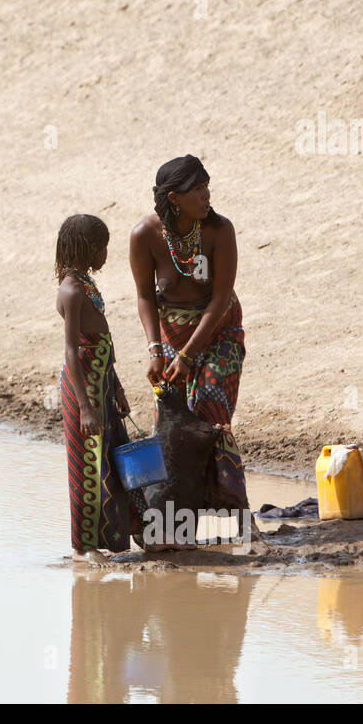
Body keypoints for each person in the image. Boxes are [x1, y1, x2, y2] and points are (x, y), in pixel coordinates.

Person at [128, 155, 251, 543]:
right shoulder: (144, 235)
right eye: (196, 189)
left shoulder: (219, 231)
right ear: (173, 198)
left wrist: (188, 355)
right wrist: (156, 350)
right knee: (171, 429)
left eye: (206, 186)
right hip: (170, 341)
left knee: (208, 421)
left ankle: (240, 525)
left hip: (218, 333)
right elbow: (146, 297)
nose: (206, 195)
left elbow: (219, 300)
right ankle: (176, 529)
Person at [56, 213, 137, 562]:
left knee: (111, 459)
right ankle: (81, 547)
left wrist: (115, 386)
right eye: (103, 248)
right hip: (82, 388)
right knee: (87, 466)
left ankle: (112, 538)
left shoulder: (86, 284)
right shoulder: (72, 290)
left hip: (101, 382)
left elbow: (102, 339)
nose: (106, 254)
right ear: (90, 248)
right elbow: (72, 350)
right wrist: (85, 406)